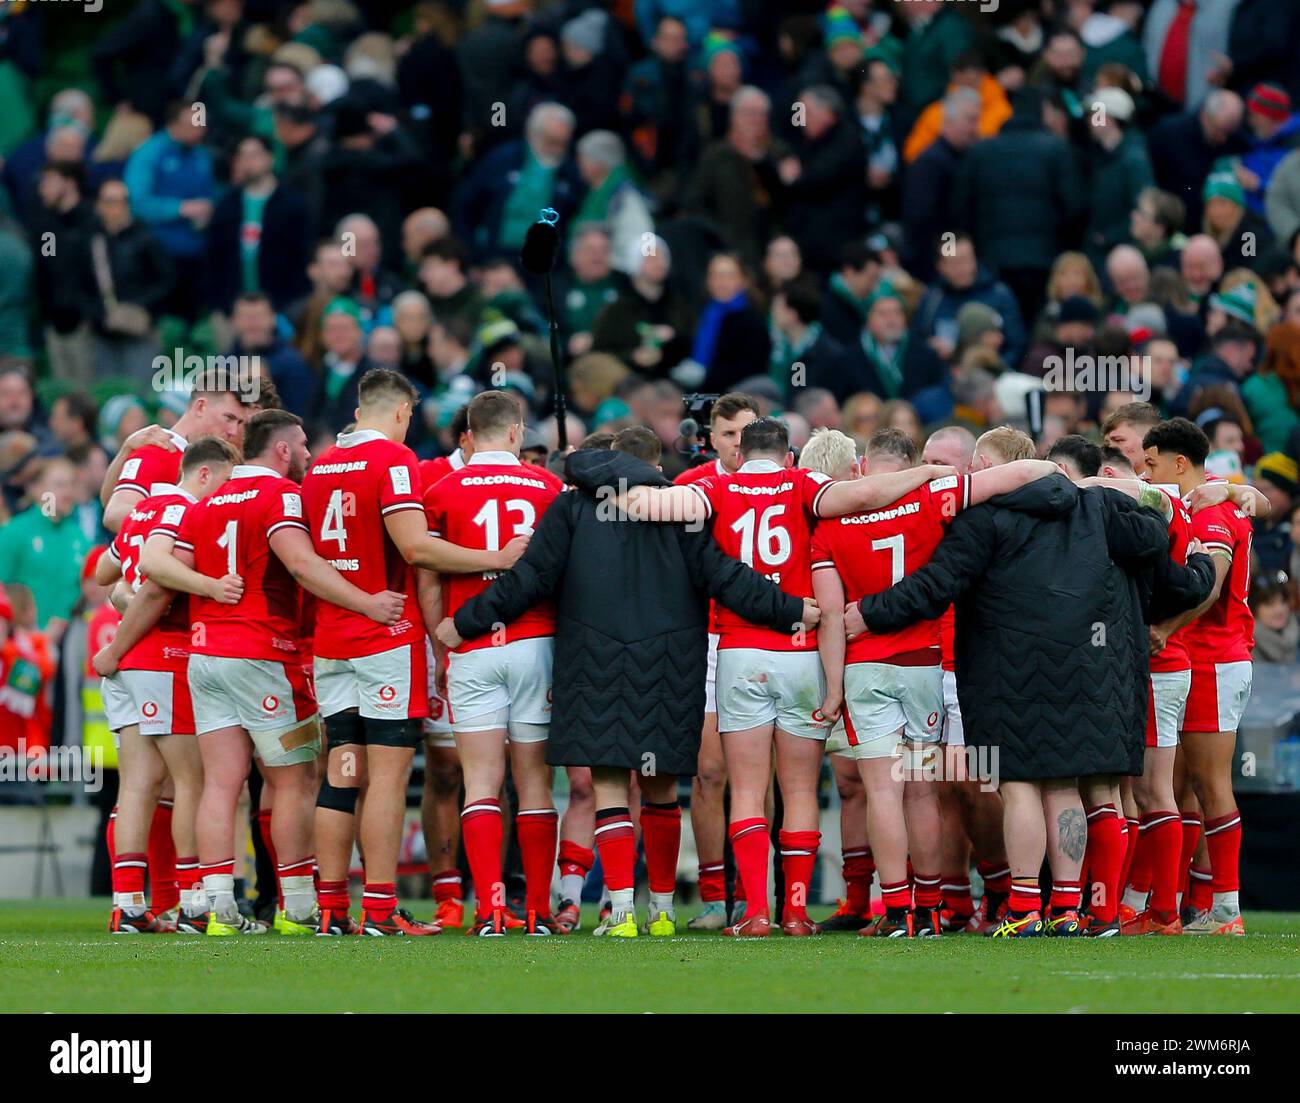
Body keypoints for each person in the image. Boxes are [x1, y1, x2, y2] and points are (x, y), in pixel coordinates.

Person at [439, 426, 816, 938]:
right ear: (656, 469)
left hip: (593, 661)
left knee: (611, 785)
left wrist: (463, 622)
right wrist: (792, 609)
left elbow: (529, 580)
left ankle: (620, 911)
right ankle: (661, 910)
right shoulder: (680, 512)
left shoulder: (573, 509)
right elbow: (726, 577)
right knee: (661, 790)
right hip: (669, 663)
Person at [625, 417, 965, 936]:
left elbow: (645, 505)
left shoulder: (714, 486)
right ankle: (798, 912)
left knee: (745, 789)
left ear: (740, 454)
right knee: (802, 790)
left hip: (740, 651)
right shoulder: (805, 485)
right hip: (803, 651)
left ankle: (757, 912)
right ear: (789, 456)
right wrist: (927, 475)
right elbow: (868, 492)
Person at [850, 426, 1174, 937]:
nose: (973, 474)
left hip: (1007, 671)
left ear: (994, 468)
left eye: (980, 464)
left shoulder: (985, 517)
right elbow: (1154, 539)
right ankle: (1068, 909)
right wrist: (1139, 496)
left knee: (1020, 785)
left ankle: (1024, 907)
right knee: (1065, 786)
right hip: (1083, 670)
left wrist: (869, 612)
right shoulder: (1093, 508)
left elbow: (935, 587)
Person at [813, 427, 1059, 937]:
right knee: (923, 790)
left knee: (883, 789)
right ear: (909, 465)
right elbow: (1023, 472)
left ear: (861, 472)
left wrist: (833, 689)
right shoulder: (932, 499)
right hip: (924, 666)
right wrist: (1060, 474)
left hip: (865, 669)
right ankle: (930, 908)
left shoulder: (829, 527)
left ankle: (896, 909)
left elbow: (833, 617)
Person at [421, 390, 565, 936]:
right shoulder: (549, 488)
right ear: (514, 433)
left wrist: (442, 646)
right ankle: (537, 910)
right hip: (536, 644)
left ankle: (490, 908)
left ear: (468, 434)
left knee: (480, 781)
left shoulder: (440, 490)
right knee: (532, 782)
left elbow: (428, 573)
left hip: (472, 646)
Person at [93, 436, 241, 934]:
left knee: (138, 783)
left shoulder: (144, 508)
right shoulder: (184, 512)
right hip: (163, 655)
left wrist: (121, 596)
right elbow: (156, 579)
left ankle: (129, 904)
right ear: (203, 474)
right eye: (223, 482)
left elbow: (103, 571)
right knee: (190, 781)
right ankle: (194, 902)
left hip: (127, 663)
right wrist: (208, 587)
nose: (225, 495)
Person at [1142, 417, 1256, 935]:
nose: (1147, 471)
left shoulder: (1213, 513)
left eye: (1153, 462)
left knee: (1211, 784)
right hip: (1207, 657)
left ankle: (1226, 909)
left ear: (1178, 462)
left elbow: (1208, 586)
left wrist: (1166, 627)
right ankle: (1174, 902)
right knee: (1183, 784)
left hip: (1213, 656)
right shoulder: (1211, 502)